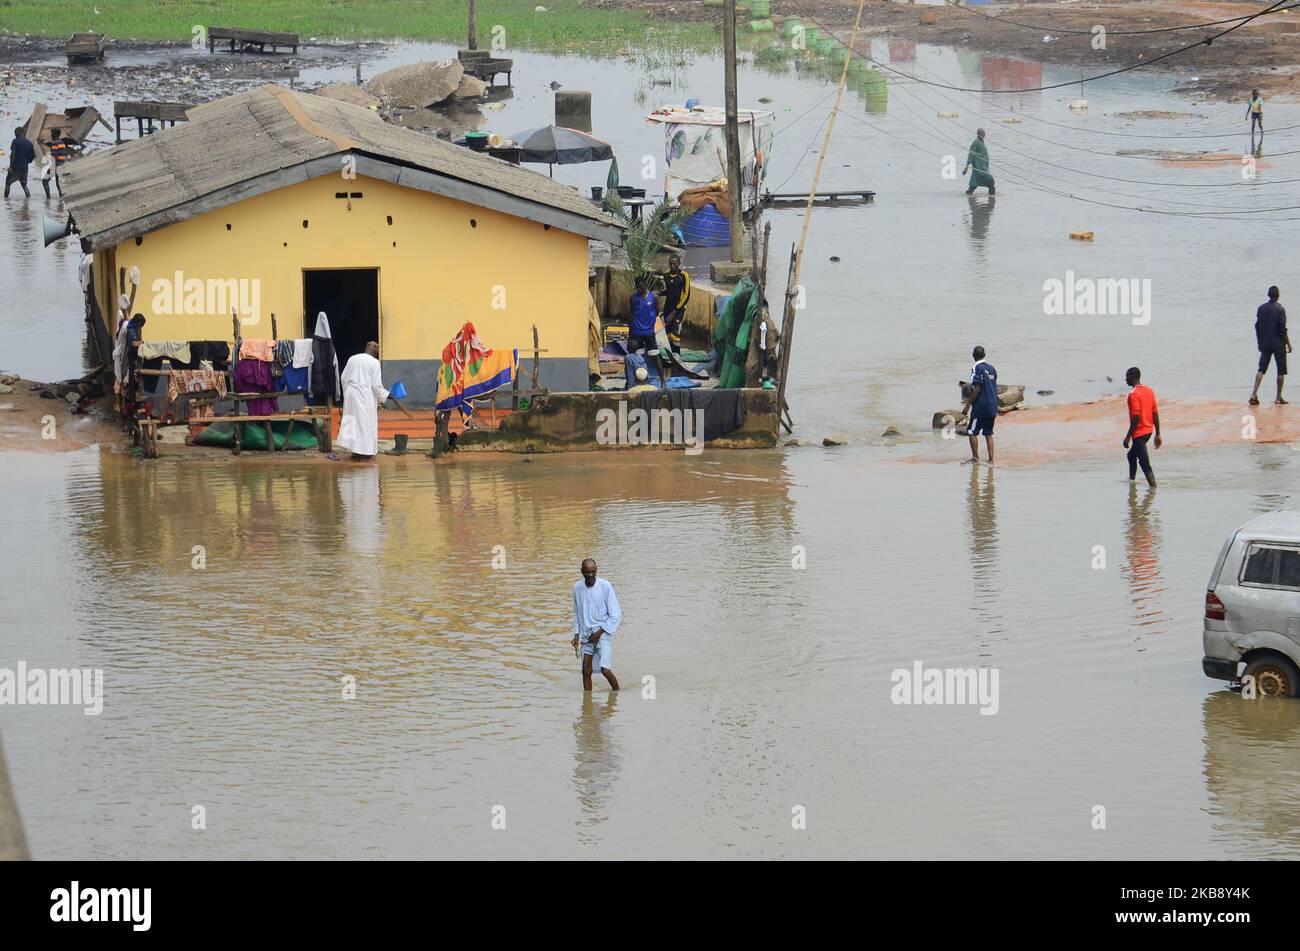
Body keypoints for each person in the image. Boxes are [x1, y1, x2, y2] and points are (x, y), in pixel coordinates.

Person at [571, 558, 621, 692]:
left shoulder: (605, 586)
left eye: (593, 572)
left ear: (596, 570)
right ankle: (587, 702)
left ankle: (617, 693)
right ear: (581, 571)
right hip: (586, 634)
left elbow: (616, 614)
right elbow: (576, 613)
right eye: (586, 572)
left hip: (602, 633)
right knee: (585, 671)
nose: (590, 575)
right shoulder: (577, 587)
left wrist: (599, 633)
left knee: (605, 669)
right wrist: (576, 634)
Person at [336, 341, 389, 460]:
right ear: (376, 353)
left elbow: (343, 377)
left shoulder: (352, 359)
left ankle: (354, 450)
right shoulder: (374, 363)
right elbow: (376, 385)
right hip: (364, 396)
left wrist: (347, 392)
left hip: (350, 394)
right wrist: (385, 395)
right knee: (364, 423)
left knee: (351, 421)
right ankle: (364, 452)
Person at [1250, 285, 1291, 406]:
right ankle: (1278, 398)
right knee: (1281, 370)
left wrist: (1259, 342)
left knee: (1261, 369)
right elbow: (1282, 329)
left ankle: (1253, 394)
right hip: (1278, 343)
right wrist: (1288, 343)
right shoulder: (1280, 309)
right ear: (1278, 296)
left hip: (1265, 343)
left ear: (1268, 295)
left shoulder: (1261, 308)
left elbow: (1257, 327)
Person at [1123, 366, 1160, 488]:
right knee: (1131, 455)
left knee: (1144, 462)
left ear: (1133, 377)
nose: (1125, 379)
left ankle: (1153, 488)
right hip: (1149, 431)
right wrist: (1157, 433)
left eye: (1127, 376)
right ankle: (1132, 482)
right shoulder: (1149, 391)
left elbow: (1136, 417)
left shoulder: (1133, 394)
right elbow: (1154, 412)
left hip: (1139, 433)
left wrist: (1128, 436)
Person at [628, 274, 667, 388]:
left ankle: (663, 382)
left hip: (649, 333)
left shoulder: (653, 297)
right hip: (637, 333)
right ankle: (635, 382)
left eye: (641, 287)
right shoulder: (633, 298)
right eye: (638, 288)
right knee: (635, 356)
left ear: (645, 285)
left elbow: (656, 313)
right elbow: (631, 314)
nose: (640, 289)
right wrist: (630, 335)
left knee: (655, 356)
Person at [961, 345, 998, 466]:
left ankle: (975, 458)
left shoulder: (977, 368)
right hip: (992, 405)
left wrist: (968, 405)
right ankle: (991, 460)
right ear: (984, 354)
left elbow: (977, 387)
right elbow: (993, 387)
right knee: (988, 433)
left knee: (972, 431)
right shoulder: (992, 368)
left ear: (973, 355)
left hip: (981, 406)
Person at [661, 254, 691, 355]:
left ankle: (677, 356)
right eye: (670, 264)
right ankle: (672, 356)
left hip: (679, 310)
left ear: (679, 263)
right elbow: (669, 292)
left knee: (675, 335)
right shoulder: (666, 276)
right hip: (667, 309)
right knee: (668, 335)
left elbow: (686, 295)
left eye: (674, 263)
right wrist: (659, 293)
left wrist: (674, 312)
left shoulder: (684, 276)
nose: (672, 266)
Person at [4, 126, 35, 199]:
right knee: (24, 185)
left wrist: (10, 166)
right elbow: (33, 156)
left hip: (15, 167)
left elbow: (13, 154)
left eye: (16, 133)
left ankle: (6, 200)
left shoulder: (15, 141)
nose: (15, 135)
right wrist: (27, 161)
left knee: (8, 183)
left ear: (21, 133)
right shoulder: (29, 143)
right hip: (25, 168)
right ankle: (28, 201)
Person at [962, 128, 995, 196]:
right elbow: (971, 153)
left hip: (983, 167)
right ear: (982, 133)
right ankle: (992, 197)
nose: (985, 134)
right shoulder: (976, 142)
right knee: (990, 180)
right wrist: (967, 166)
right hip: (978, 168)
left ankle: (991, 197)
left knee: (974, 185)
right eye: (984, 133)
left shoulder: (981, 142)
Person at [42, 127, 69, 198]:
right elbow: (63, 154)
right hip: (62, 165)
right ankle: (61, 196)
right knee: (58, 182)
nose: (51, 135)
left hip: (56, 165)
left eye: (51, 133)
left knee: (45, 181)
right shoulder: (62, 143)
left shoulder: (55, 144)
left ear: (54, 134)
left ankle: (48, 198)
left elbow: (54, 156)